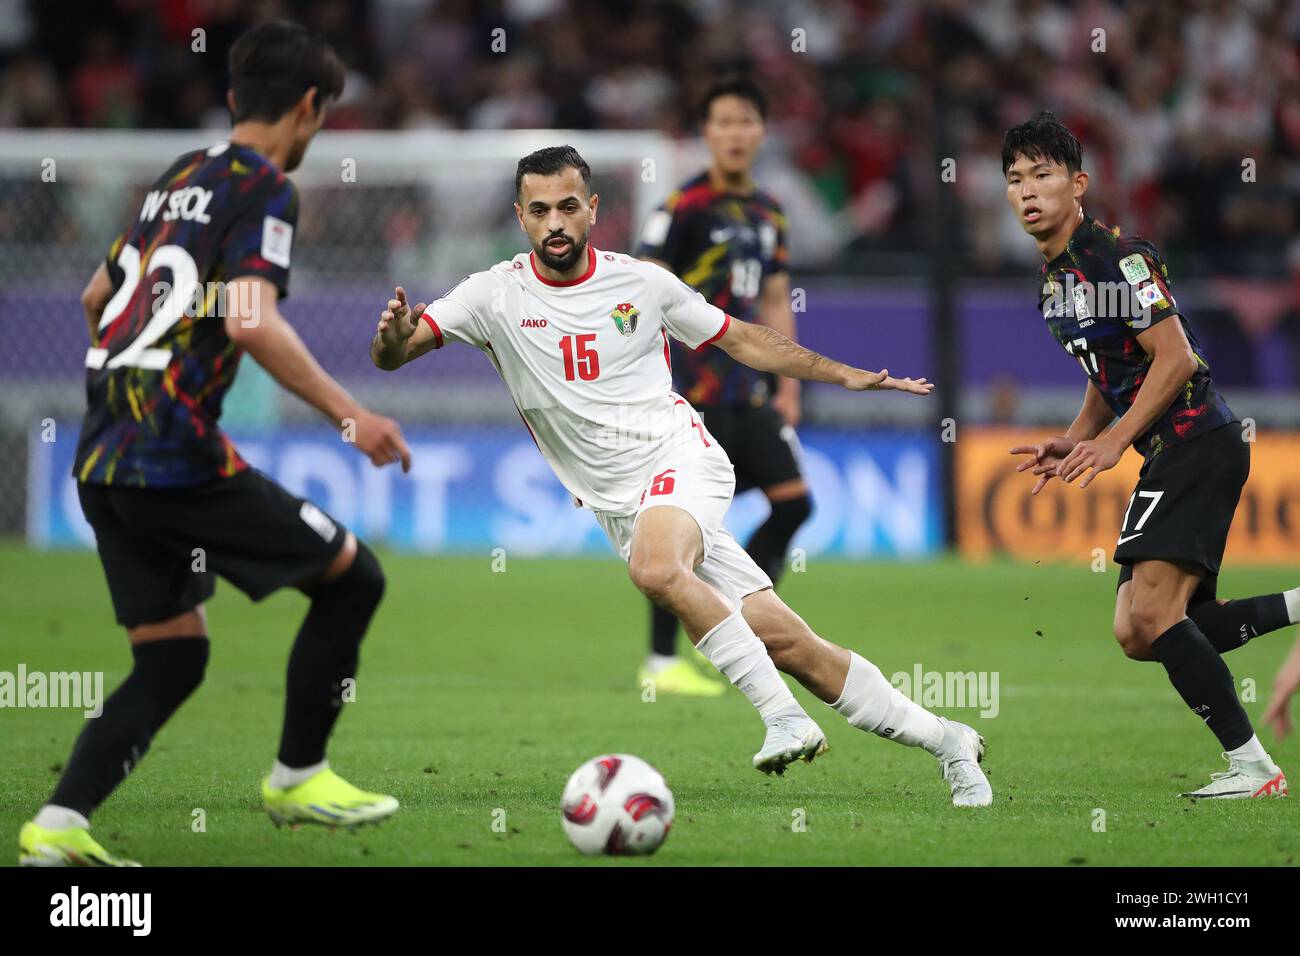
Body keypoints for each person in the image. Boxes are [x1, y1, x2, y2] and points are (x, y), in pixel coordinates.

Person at [371, 145, 992, 807]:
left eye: (569, 206)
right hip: (622, 507)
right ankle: (949, 739)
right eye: (540, 209)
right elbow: (395, 356)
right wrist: (392, 334)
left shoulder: (642, 283)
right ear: (520, 216)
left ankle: (783, 719)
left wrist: (843, 374)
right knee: (788, 640)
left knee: (656, 571)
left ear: (594, 211)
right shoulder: (491, 294)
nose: (555, 221)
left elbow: (743, 339)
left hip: (680, 460)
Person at [19, 21, 411, 868]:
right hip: (173, 455)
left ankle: (56, 827)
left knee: (174, 655)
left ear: (235, 98)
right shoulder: (265, 186)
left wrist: (137, 368)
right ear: (310, 107)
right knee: (353, 578)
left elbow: (97, 295)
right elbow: (249, 320)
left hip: (102, 454)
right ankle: (299, 774)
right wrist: (354, 416)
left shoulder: (175, 179)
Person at [1004, 111, 1297, 799]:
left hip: (1195, 441)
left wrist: (1110, 445)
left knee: (1149, 615)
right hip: (1178, 451)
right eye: (1014, 179)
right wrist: (1079, 434)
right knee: (1142, 630)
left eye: (1043, 175)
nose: (1027, 191)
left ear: (1078, 183)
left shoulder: (1118, 256)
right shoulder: (1055, 284)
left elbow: (1174, 358)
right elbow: (1110, 372)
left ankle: (1253, 769)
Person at [633, 76, 811, 698]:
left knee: (794, 503)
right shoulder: (684, 206)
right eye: (723, 122)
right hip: (691, 390)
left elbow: (773, 298)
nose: (735, 133)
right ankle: (661, 661)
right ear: (706, 133)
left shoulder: (770, 211)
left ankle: (735, 621)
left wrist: (787, 380)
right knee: (679, 525)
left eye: (746, 121)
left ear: (762, 131)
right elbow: (642, 285)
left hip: (748, 392)